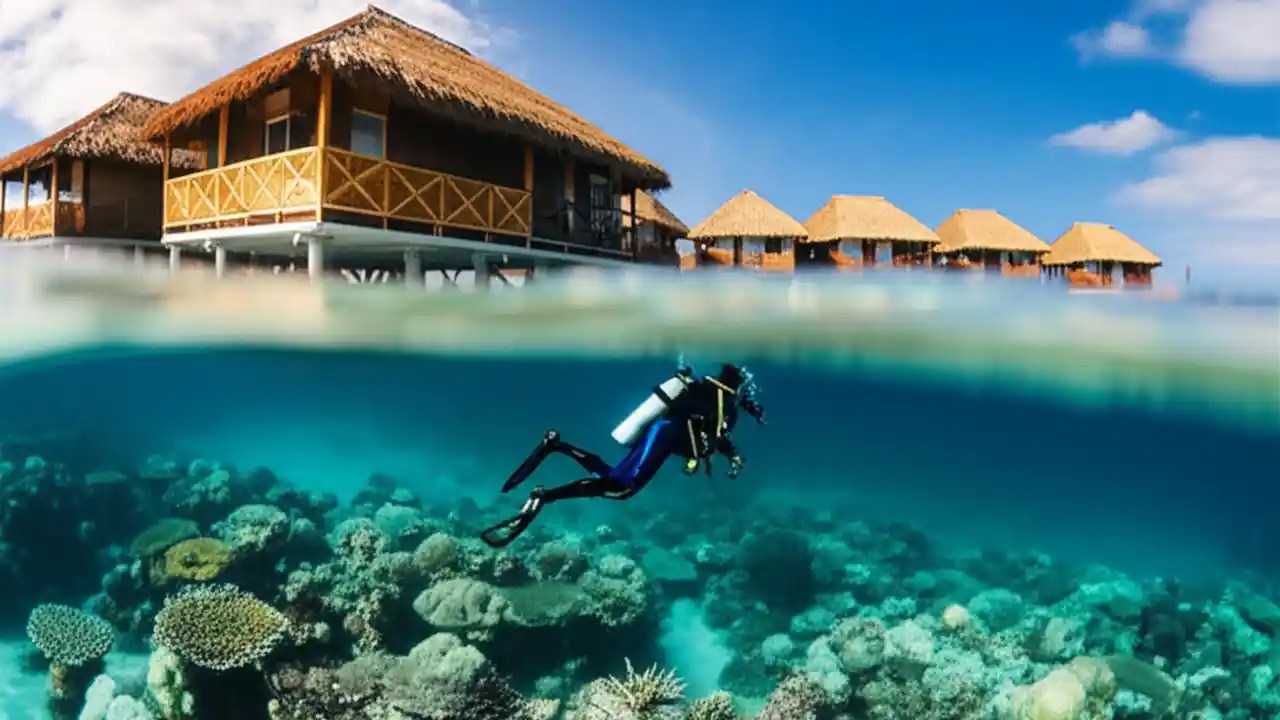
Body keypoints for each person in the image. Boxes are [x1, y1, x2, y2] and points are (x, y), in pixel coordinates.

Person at [480, 363, 766, 548]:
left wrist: (733, 449)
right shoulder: (725, 403)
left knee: (613, 476)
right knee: (623, 488)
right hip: (664, 435)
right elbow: (707, 429)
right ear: (737, 386)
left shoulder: (706, 389)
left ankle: (556, 445)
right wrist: (716, 457)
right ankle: (546, 496)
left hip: (660, 433)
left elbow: (709, 430)